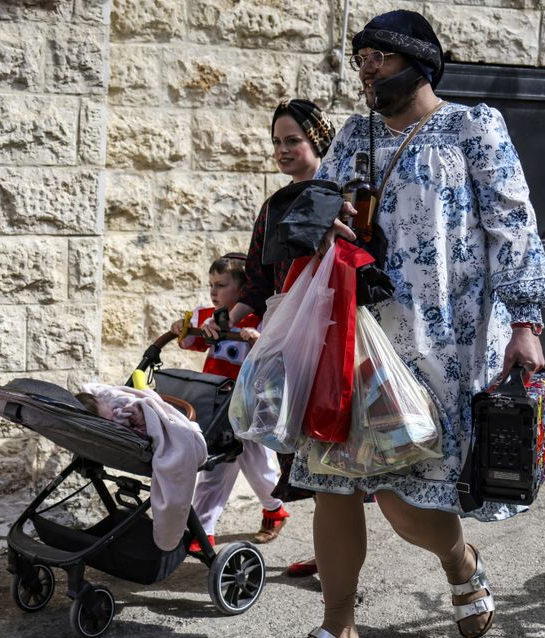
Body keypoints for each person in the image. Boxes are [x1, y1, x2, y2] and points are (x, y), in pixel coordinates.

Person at [287, 10, 545, 638]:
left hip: (439, 343)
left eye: (378, 55)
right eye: (360, 59)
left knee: (405, 504)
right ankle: (338, 624)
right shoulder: (353, 136)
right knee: (334, 482)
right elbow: (313, 211)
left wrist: (525, 321)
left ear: (418, 60)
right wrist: (329, 220)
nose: (366, 68)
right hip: (353, 335)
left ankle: (461, 565)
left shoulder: (472, 128)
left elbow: (512, 224)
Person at [206, 97, 337, 576]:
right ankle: (331, 558)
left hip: (330, 337)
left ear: (318, 140)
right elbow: (259, 278)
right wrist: (230, 313)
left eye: (293, 140)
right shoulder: (275, 205)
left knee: (331, 450)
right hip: (286, 340)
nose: (282, 150)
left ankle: (337, 565)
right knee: (301, 450)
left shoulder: (340, 195)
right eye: (277, 142)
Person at [170, 254, 290, 548]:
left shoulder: (259, 319)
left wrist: (256, 337)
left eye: (221, 285)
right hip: (217, 405)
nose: (213, 291)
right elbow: (189, 338)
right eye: (211, 284)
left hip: (249, 407)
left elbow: (274, 349)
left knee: (258, 467)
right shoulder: (209, 317)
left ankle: (275, 509)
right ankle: (203, 531)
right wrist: (180, 328)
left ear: (243, 289)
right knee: (215, 469)